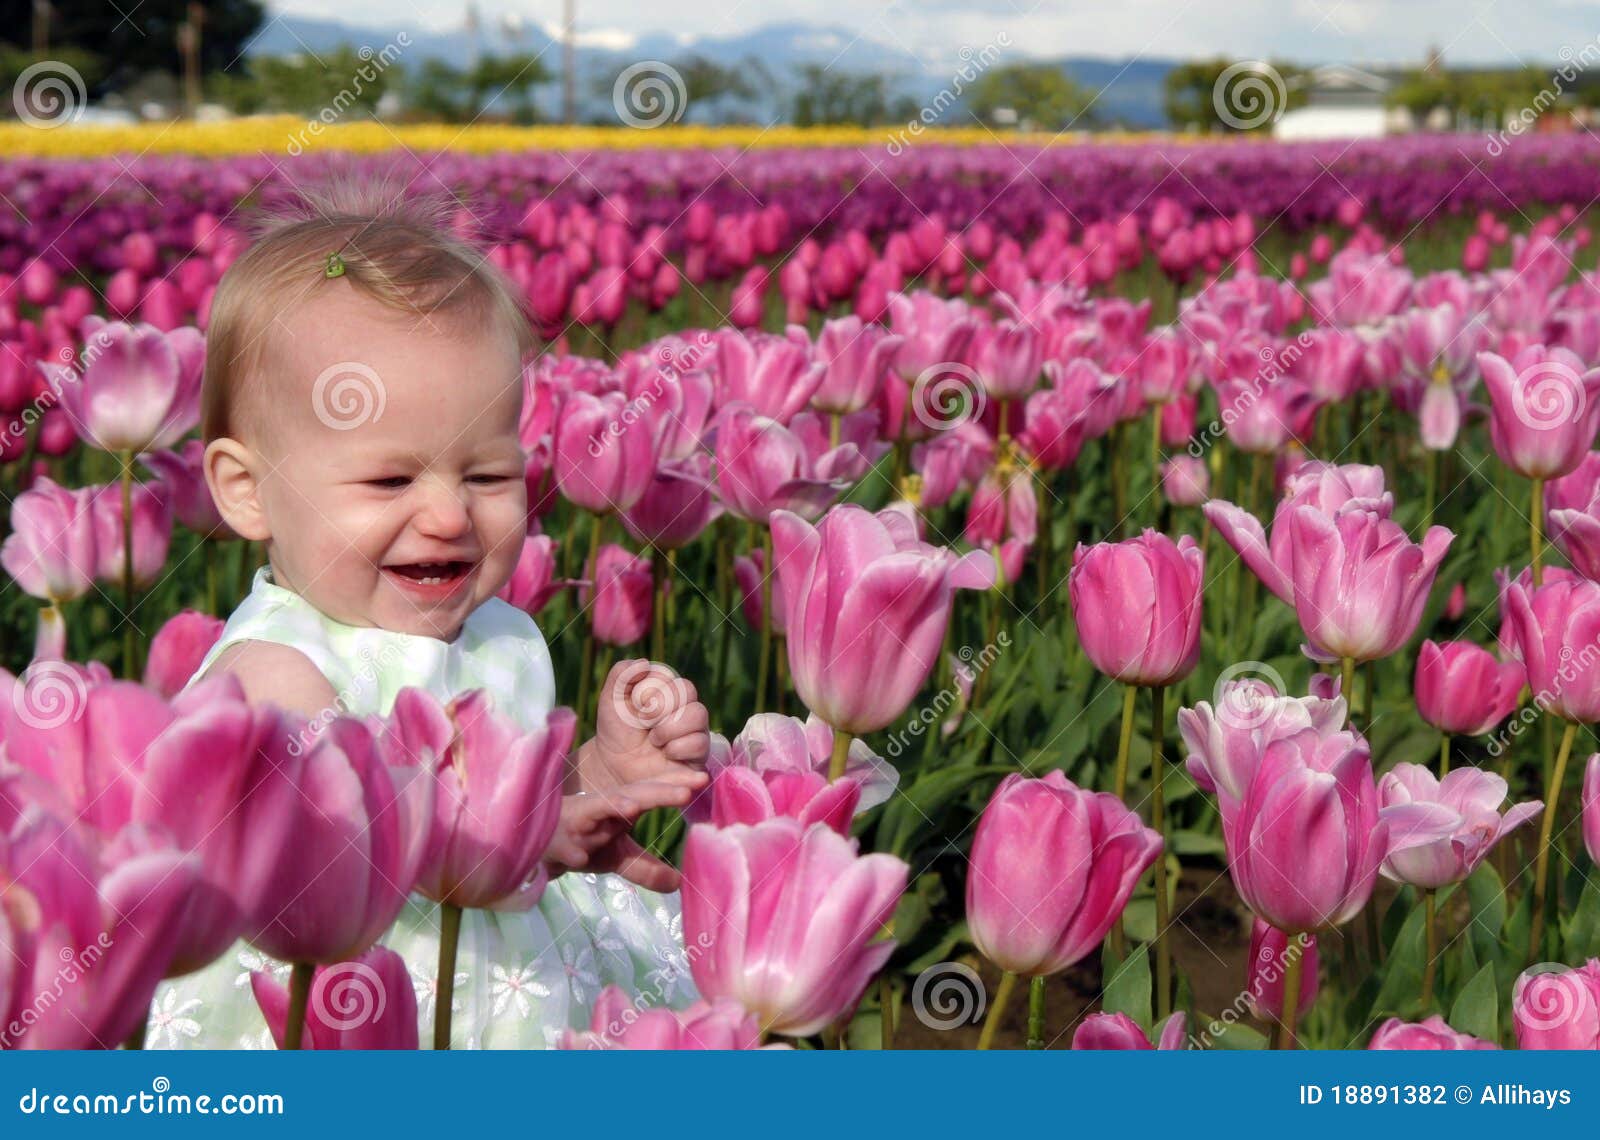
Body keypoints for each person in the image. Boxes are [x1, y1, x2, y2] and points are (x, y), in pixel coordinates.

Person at [145, 180, 710, 1049]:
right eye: (390, 479)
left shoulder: (502, 638)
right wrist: (517, 843)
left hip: (506, 997)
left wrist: (597, 777)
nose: (450, 515)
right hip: (345, 1011)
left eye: (487, 476)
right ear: (247, 491)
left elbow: (519, 800)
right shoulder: (275, 675)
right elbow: (332, 859)